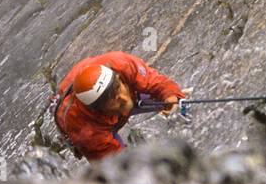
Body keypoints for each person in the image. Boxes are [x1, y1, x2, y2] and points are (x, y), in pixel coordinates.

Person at [52, 52, 186, 160]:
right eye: (112, 99)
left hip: (99, 78)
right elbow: (116, 169)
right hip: (86, 122)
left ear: (119, 79)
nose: (122, 98)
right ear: (98, 109)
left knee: (167, 99)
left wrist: (169, 94)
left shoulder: (121, 64)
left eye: (118, 87)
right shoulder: (87, 131)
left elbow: (153, 80)